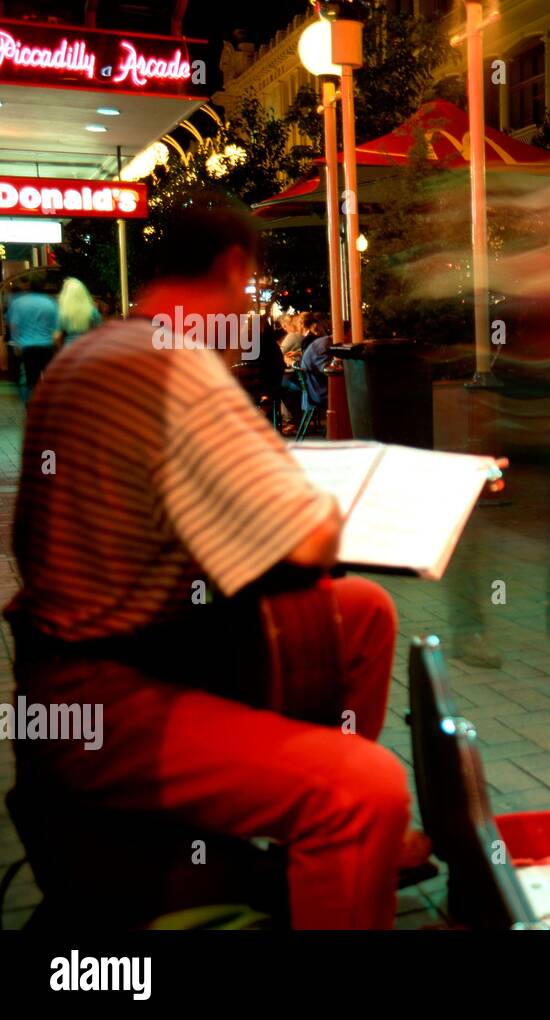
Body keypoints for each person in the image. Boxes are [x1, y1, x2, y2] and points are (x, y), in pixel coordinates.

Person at [5, 201, 426, 929]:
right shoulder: (176, 365)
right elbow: (308, 542)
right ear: (234, 268)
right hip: (110, 697)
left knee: (363, 612)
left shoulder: (93, 352)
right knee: (369, 790)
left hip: (85, 661)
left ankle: (313, 848)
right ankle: (337, 826)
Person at [5, 275, 59, 403]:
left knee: (29, 379)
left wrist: (16, 343)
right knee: (48, 376)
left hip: (26, 347)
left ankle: (31, 406)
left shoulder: (19, 303)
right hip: (47, 345)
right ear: (44, 287)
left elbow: (13, 325)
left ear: (30, 286)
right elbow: (56, 328)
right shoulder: (51, 303)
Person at [55, 276, 102, 345]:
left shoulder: (63, 313)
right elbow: (100, 334)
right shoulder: (93, 312)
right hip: (88, 350)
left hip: (69, 350)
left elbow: (57, 336)